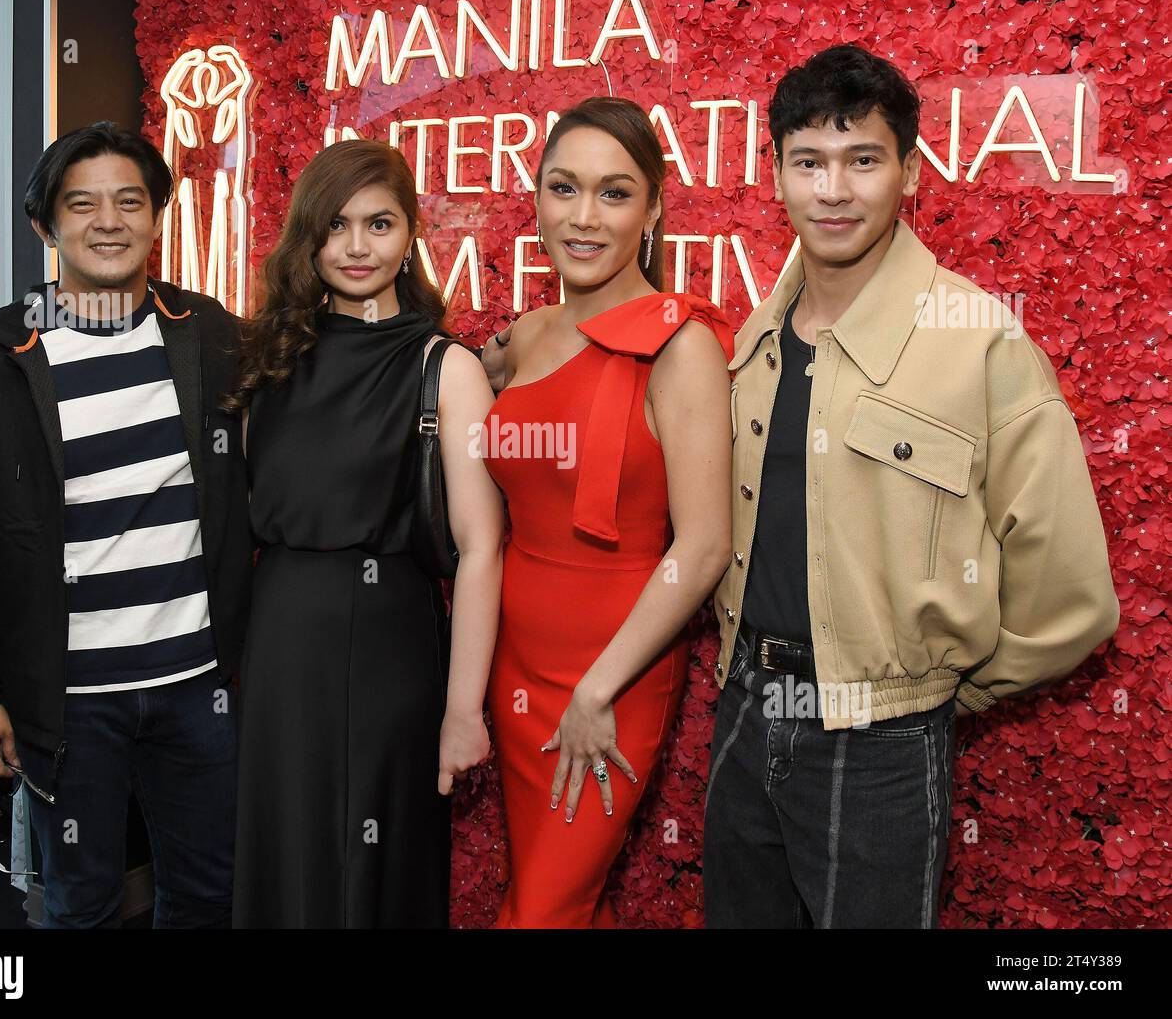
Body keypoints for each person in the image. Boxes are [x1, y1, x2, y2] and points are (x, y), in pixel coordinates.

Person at [703, 45, 1121, 928]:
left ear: (909, 174)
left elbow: (1072, 600)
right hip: (744, 711)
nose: (833, 190)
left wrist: (930, 696)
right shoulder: (755, 340)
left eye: (863, 160)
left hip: (881, 740)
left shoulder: (979, 344)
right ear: (775, 175)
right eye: (808, 161)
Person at [0, 121, 252, 927]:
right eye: (83, 205)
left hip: (198, 688)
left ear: (157, 217)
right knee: (80, 907)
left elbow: (322, 380)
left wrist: (478, 359)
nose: (109, 221)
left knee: (210, 896)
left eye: (130, 201)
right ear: (47, 226)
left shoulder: (207, 332)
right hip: (69, 701)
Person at [225, 139, 504, 927]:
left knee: (368, 867)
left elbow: (482, 548)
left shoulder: (443, 367)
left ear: (410, 233)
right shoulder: (269, 356)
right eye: (336, 224)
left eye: (379, 224)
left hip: (387, 648)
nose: (356, 246)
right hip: (277, 645)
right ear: (307, 235)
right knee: (285, 854)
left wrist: (463, 709)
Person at [480, 97, 733, 927]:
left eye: (615, 193)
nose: (583, 217)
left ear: (655, 207)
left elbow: (701, 550)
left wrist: (597, 690)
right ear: (539, 199)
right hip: (514, 666)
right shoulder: (521, 338)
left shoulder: (680, 345)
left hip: (611, 676)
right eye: (564, 188)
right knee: (548, 899)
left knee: (545, 909)